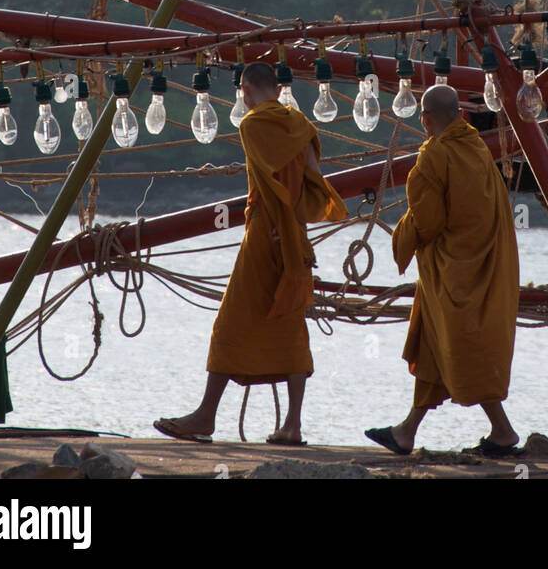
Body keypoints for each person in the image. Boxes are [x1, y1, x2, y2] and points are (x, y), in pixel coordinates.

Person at [154, 60, 346, 446]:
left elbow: (271, 182)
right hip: (293, 233)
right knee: (291, 326)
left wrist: (277, 225)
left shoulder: (252, 124)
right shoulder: (301, 123)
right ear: (277, 87)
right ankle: (292, 425)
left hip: (265, 234)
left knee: (230, 323)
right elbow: (313, 178)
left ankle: (206, 416)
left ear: (245, 91)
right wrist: (291, 227)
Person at [365, 84, 520, 456]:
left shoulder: (434, 156)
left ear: (425, 119)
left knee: (462, 345)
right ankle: (406, 431)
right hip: (484, 263)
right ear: (460, 115)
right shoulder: (476, 146)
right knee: (436, 345)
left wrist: (402, 235)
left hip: (455, 272)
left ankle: (503, 431)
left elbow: (429, 221)